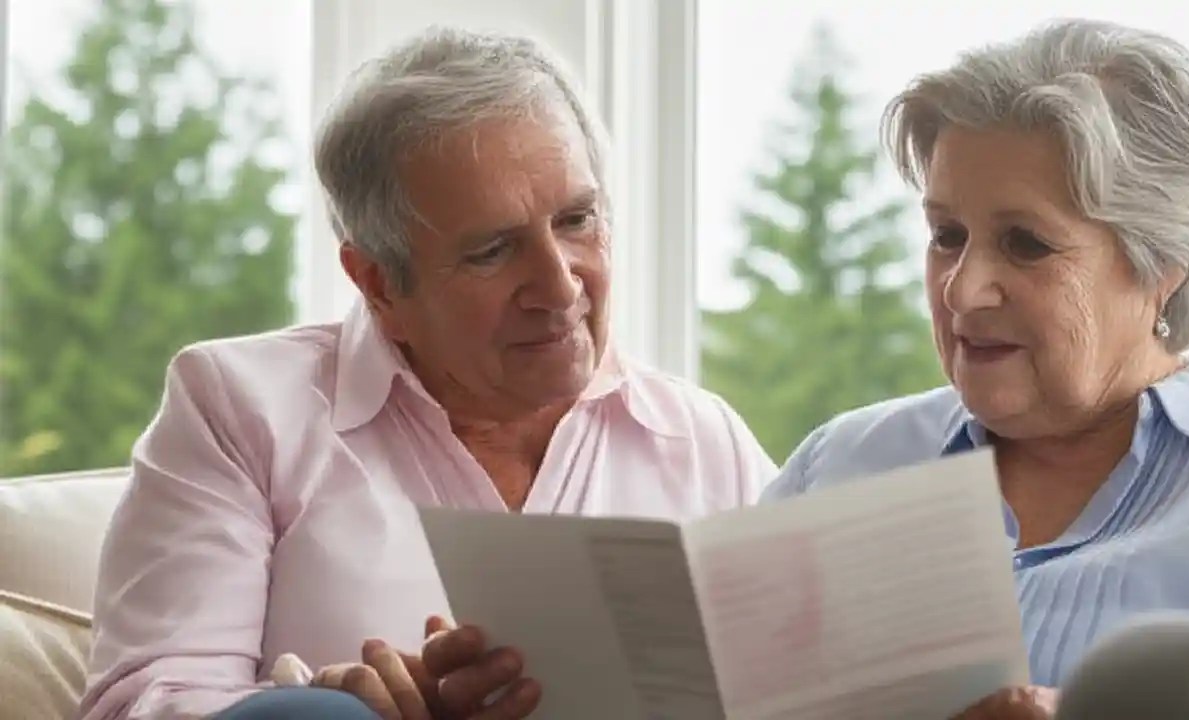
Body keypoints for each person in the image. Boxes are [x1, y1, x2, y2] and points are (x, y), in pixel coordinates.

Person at [77, 26, 775, 720]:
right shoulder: (240, 408)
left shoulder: (702, 441)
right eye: (493, 252)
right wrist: (324, 709)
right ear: (379, 284)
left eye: (577, 219)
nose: (561, 287)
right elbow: (146, 701)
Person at [758, 17, 1189, 720]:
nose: (963, 290)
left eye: (1026, 244)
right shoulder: (841, 464)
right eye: (947, 236)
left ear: (1164, 263)